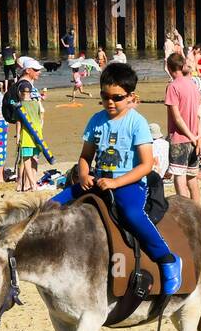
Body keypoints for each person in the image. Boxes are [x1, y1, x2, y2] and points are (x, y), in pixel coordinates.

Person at [49, 63, 182, 293]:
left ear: (131, 97)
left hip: (128, 183)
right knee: (51, 205)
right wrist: (83, 174)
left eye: (117, 97)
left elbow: (147, 165)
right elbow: (85, 157)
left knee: (131, 214)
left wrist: (116, 183)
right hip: (97, 181)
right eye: (104, 96)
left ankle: (167, 258)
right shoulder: (96, 120)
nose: (110, 102)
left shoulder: (136, 123)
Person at [164, 53, 201, 206]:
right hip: (194, 138)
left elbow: (177, 118)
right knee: (192, 179)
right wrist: (198, 137)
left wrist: (191, 136)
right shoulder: (193, 85)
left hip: (180, 139)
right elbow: (200, 115)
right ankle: (198, 211)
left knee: (179, 179)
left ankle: (188, 213)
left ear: (169, 68)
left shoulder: (173, 87)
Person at [15, 83, 43, 192]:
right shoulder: (36, 103)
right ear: (30, 93)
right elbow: (40, 118)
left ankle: (32, 183)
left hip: (26, 134)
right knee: (35, 158)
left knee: (26, 159)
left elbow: (19, 122)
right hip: (37, 133)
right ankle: (32, 182)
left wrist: (17, 136)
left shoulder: (19, 105)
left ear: (20, 93)